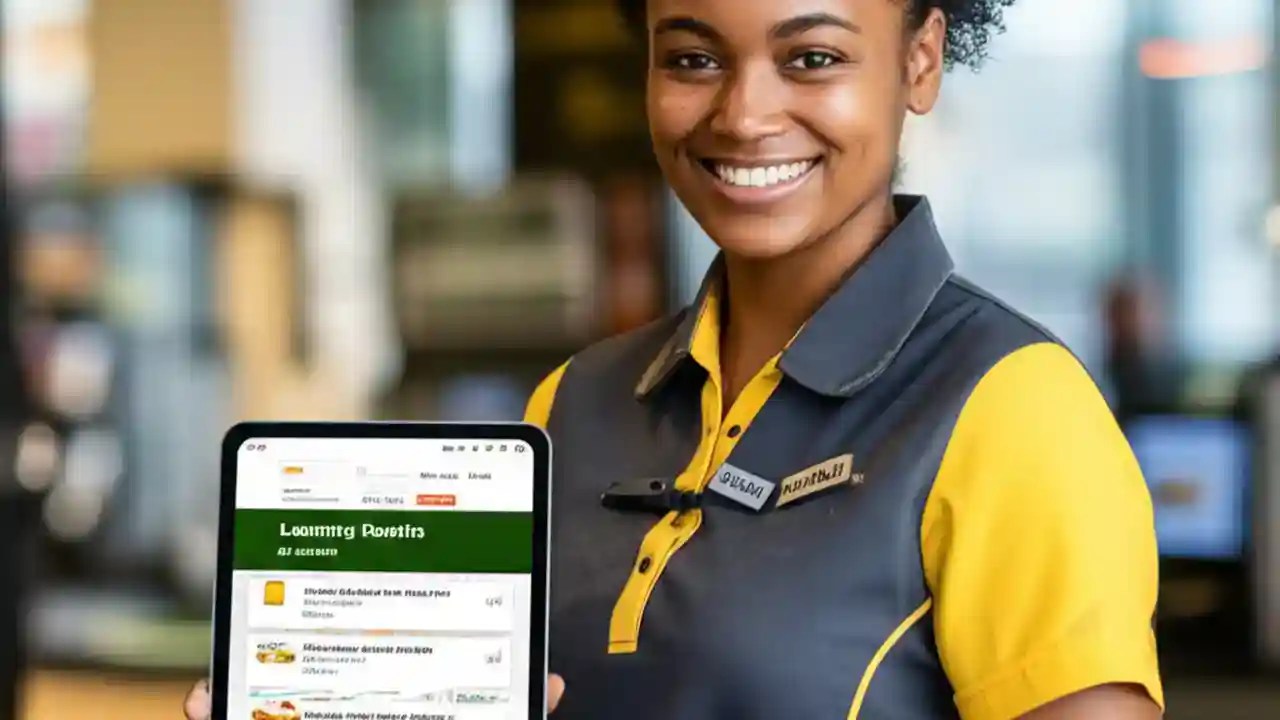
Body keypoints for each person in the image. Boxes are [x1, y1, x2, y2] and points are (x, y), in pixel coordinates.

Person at [187, 0, 1164, 717]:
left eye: (811, 57)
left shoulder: (1012, 408)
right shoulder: (567, 405)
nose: (742, 114)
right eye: (691, 58)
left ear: (919, 58)